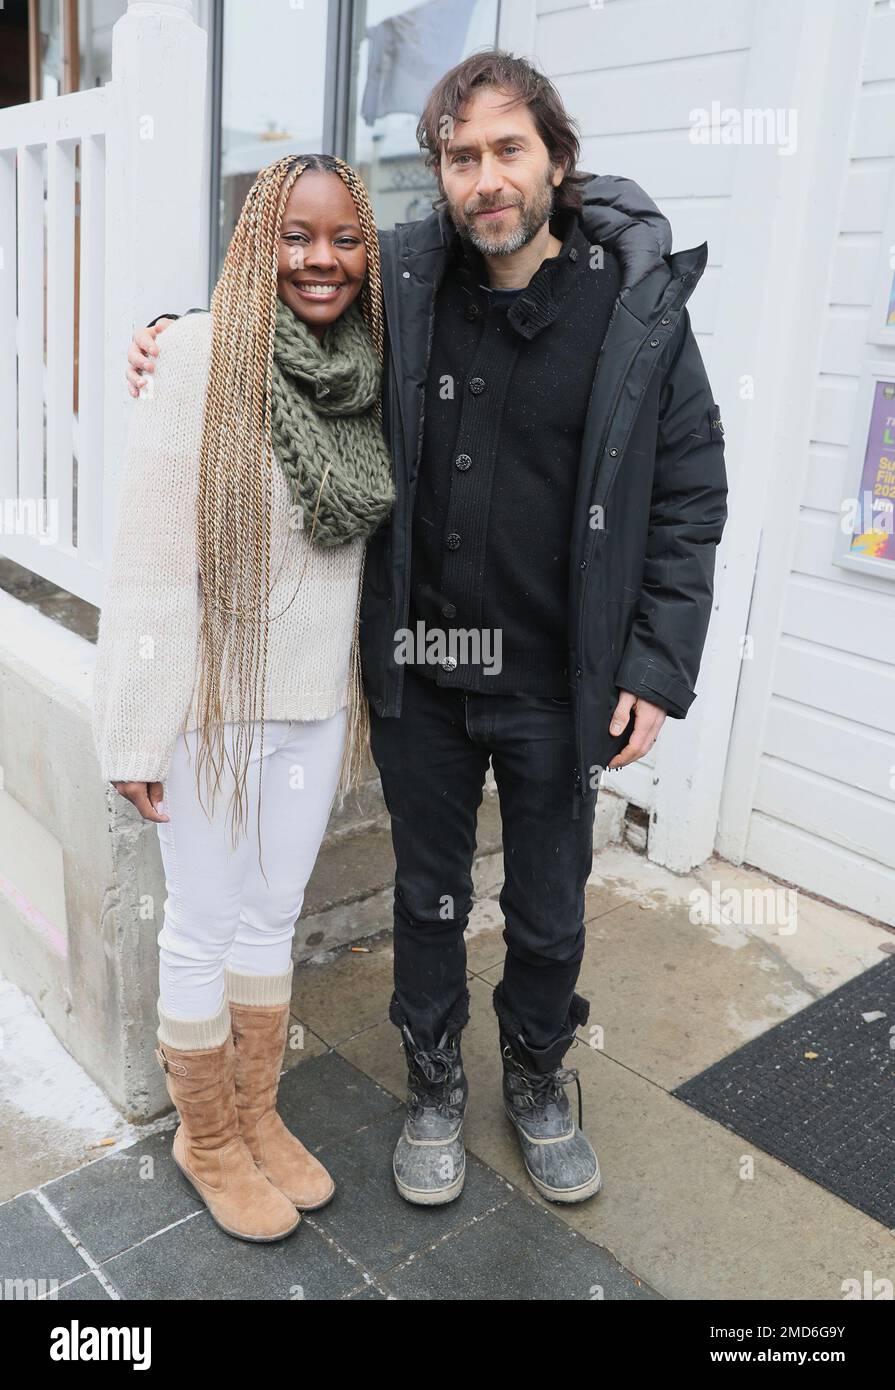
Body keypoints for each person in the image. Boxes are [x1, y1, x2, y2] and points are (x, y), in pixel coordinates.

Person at [125, 51, 728, 1210]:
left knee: (549, 902)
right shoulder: (403, 281)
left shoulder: (635, 305)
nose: (486, 179)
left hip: (566, 677)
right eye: (461, 157)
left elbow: (690, 491)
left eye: (508, 150)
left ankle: (542, 1076)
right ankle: (436, 1080)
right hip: (425, 672)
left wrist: (656, 661)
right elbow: (285, 304)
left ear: (555, 154)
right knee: (429, 895)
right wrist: (172, 328)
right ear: (438, 173)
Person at [94, 153, 395, 1242]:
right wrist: (131, 721)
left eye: (344, 237)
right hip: (210, 704)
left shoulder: (373, 365)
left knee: (273, 913)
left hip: (317, 698)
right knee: (203, 923)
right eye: (295, 235)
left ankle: (256, 1115)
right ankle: (204, 1136)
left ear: (370, 250)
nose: (321, 258)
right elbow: (147, 557)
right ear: (256, 240)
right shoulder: (196, 357)